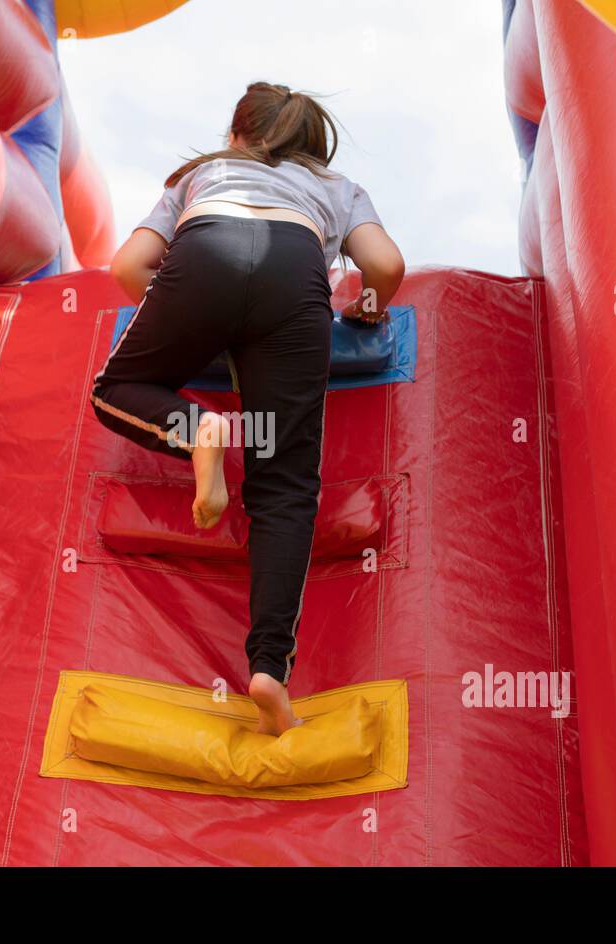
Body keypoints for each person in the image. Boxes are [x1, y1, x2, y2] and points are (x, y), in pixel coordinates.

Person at [90, 81, 405, 735]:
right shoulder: (339, 187)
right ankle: (269, 669)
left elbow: (128, 269)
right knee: (285, 485)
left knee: (113, 392)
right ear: (313, 152)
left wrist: (188, 307)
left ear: (237, 135)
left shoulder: (203, 174)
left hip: (205, 251)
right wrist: (365, 310)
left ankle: (194, 427)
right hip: (296, 281)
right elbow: (385, 263)